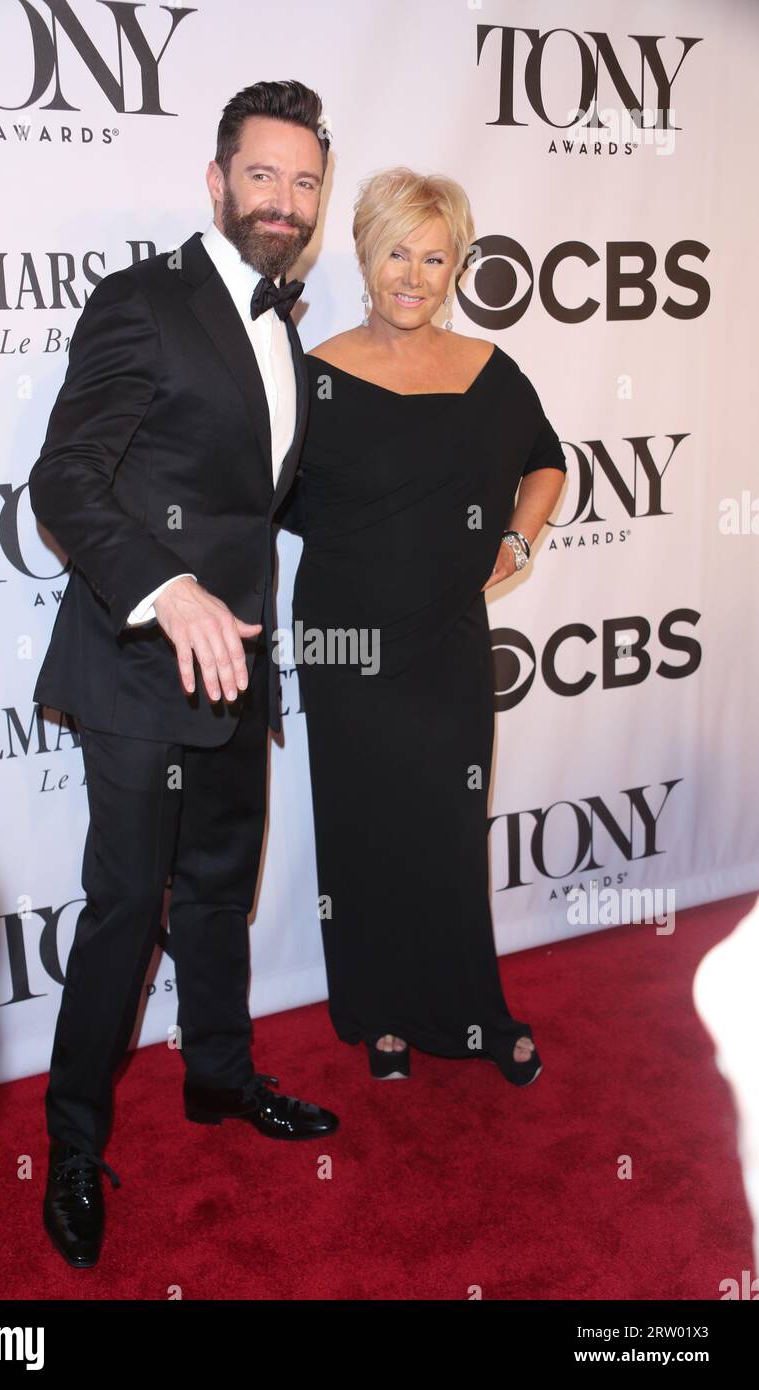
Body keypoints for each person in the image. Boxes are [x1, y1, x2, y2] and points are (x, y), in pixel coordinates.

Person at [28, 80, 338, 1270]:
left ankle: (218, 1076)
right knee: (122, 914)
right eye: (262, 175)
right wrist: (168, 589)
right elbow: (67, 479)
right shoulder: (141, 302)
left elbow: (257, 496)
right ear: (215, 182)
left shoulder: (283, 323)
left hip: (238, 668)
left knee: (215, 891)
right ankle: (68, 1142)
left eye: (303, 181)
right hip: (141, 665)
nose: (283, 199)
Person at [277, 167, 567, 1083]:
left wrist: (517, 544)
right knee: (365, 830)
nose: (414, 273)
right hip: (343, 640)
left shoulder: (489, 370)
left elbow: (548, 462)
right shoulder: (310, 375)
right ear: (364, 255)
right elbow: (268, 500)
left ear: (457, 267)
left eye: (434, 256)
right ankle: (385, 1016)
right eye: (397, 250)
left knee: (445, 827)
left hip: (445, 638)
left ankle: (472, 1014)